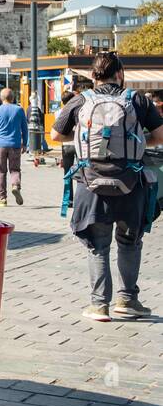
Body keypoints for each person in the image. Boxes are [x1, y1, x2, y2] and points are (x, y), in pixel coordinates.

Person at [50, 51, 163, 322]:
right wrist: (136, 144)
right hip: (129, 182)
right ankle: (128, 300)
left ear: (93, 76)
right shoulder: (136, 99)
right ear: (120, 74)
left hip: (91, 183)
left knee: (97, 246)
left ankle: (99, 305)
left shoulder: (80, 100)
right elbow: (159, 136)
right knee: (129, 242)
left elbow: (55, 135)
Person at [0, 88, 27, 207]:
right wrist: (24, 144)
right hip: (15, 145)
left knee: (1, 172)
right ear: (13, 98)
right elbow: (24, 129)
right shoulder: (19, 110)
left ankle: (2, 199)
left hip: (0, 145)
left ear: (1, 98)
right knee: (15, 169)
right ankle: (15, 185)